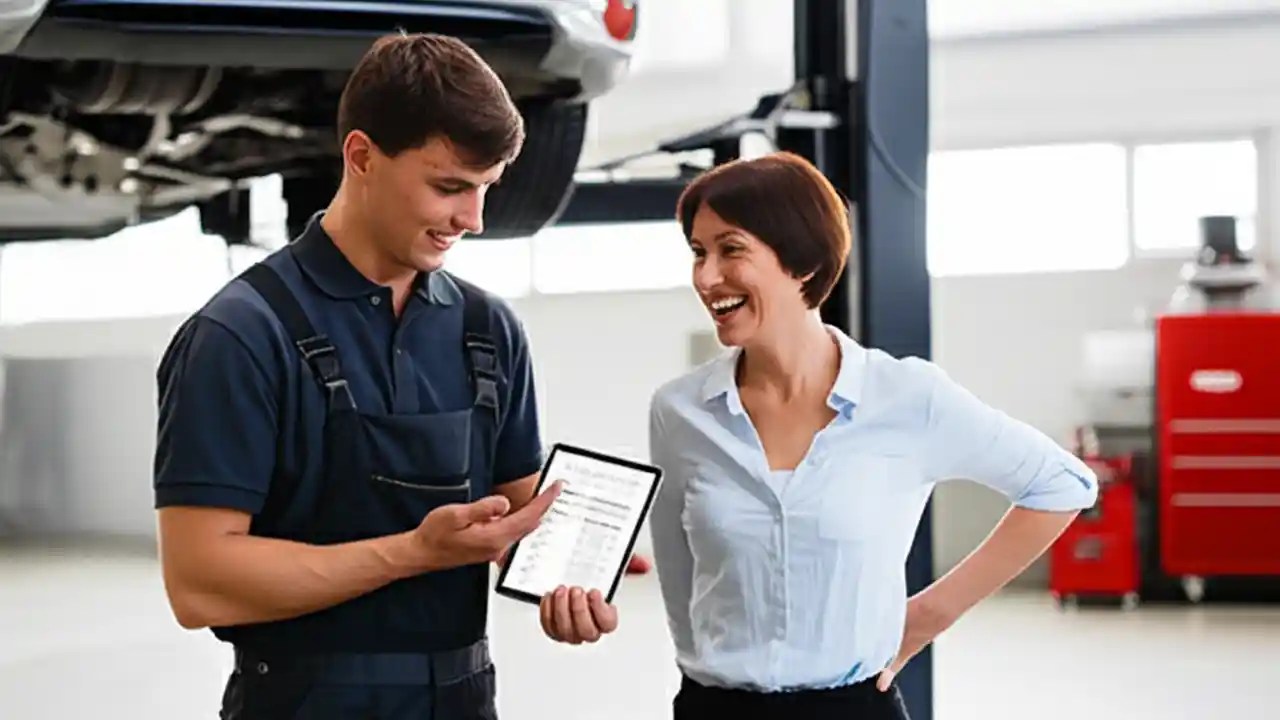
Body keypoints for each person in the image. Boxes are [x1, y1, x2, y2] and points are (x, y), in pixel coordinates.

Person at [153, 32, 618, 720]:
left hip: (464, 698)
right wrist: (413, 552)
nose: (474, 220)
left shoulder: (488, 332)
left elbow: (519, 518)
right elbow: (200, 584)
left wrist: (573, 575)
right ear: (362, 157)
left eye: (487, 189)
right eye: (449, 186)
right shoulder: (239, 335)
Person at [646, 151, 1099, 720]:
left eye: (731, 249)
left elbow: (1062, 484)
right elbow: (679, 572)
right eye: (698, 253)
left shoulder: (907, 397)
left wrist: (927, 618)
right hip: (713, 708)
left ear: (801, 261)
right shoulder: (679, 411)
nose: (706, 277)